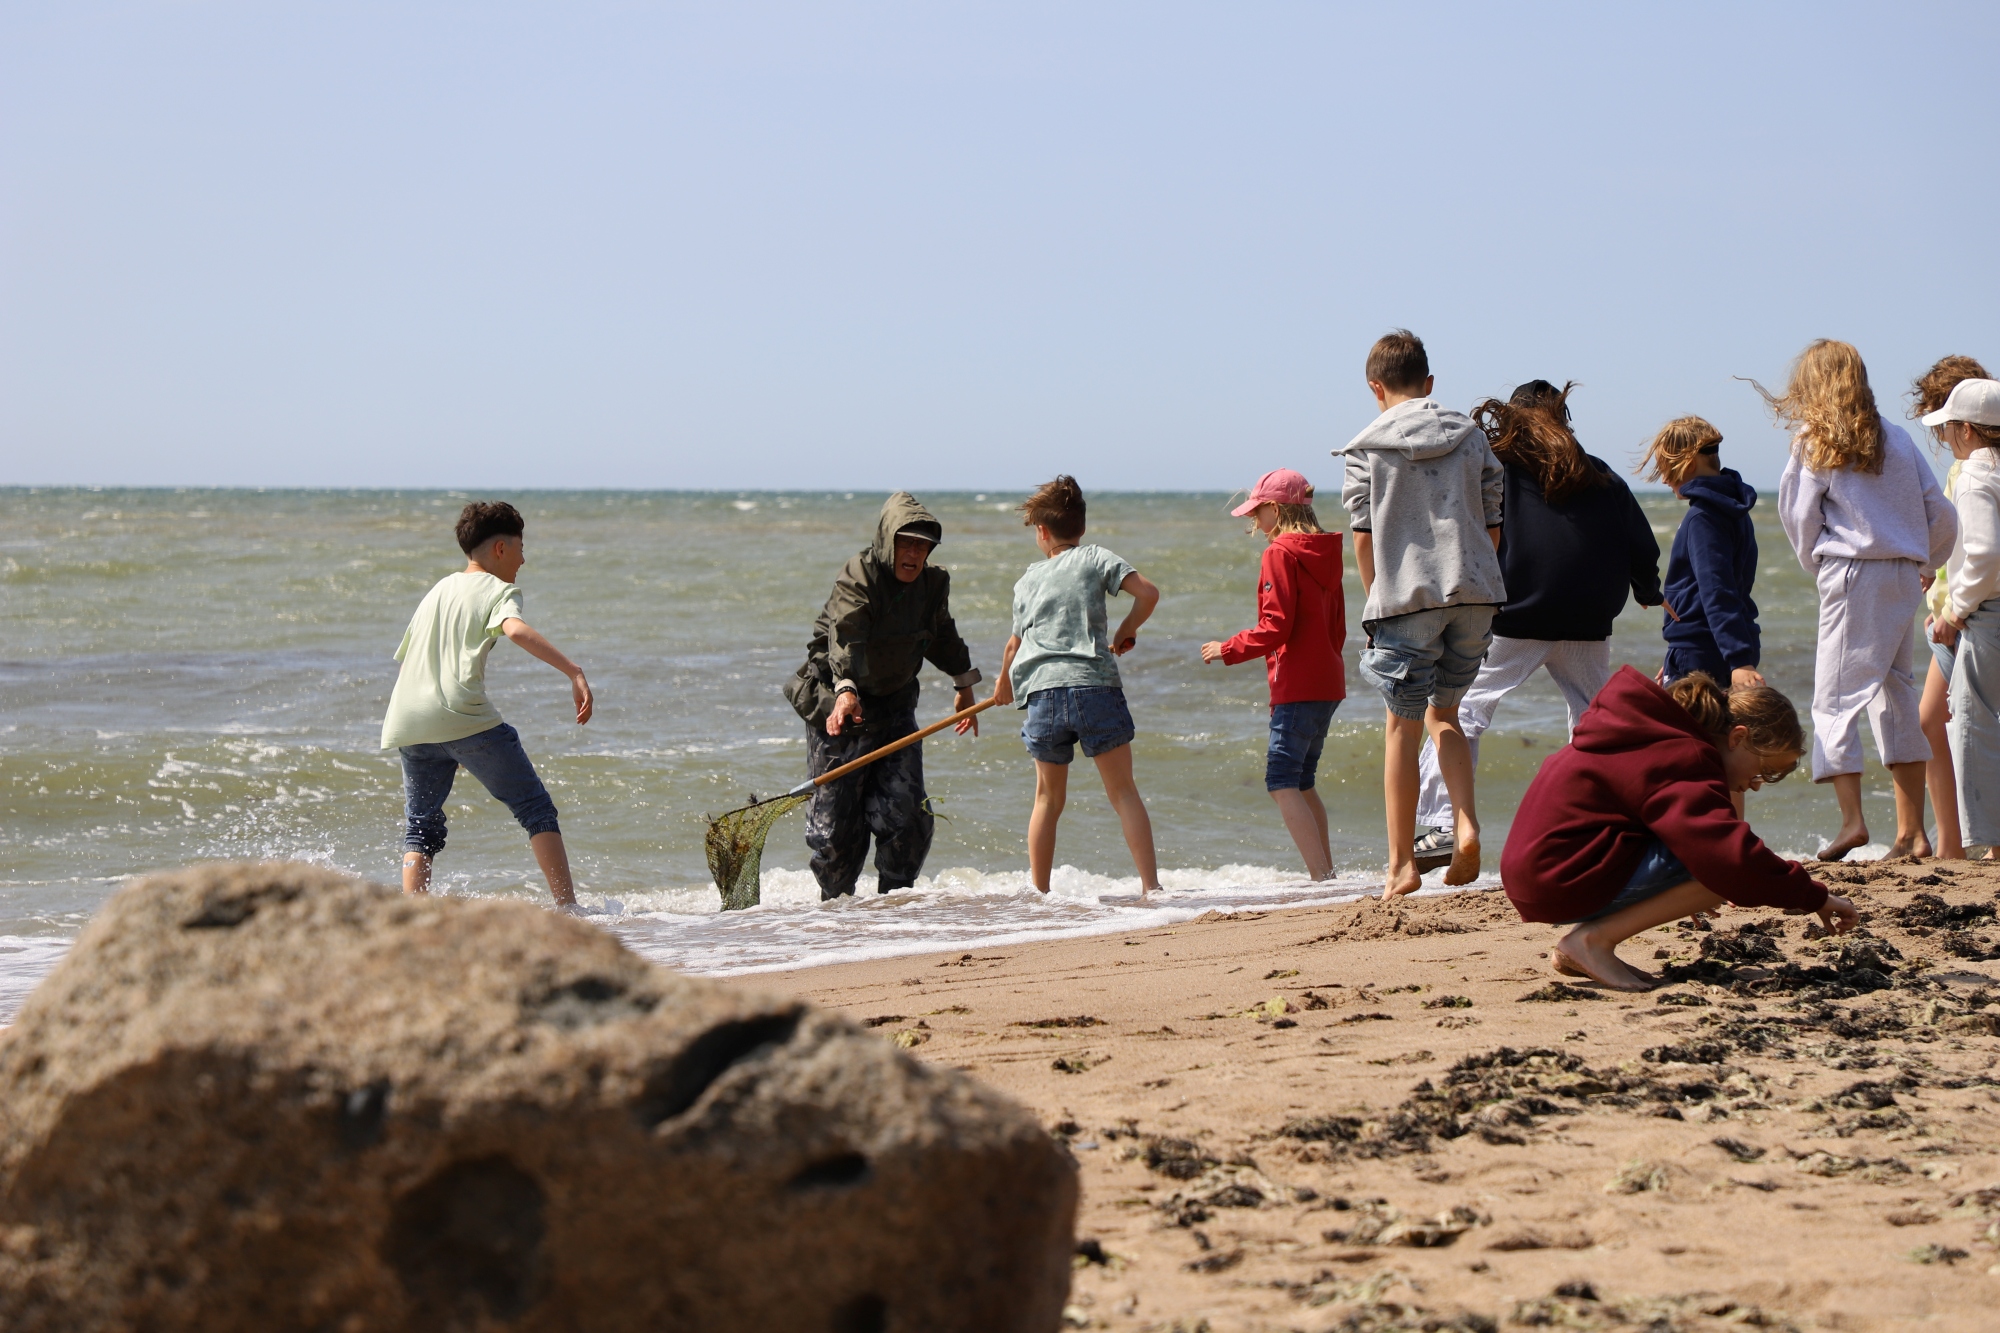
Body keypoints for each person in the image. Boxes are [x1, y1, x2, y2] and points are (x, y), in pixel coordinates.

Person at [1411, 381, 1661, 870]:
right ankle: (1607, 823)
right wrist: (1649, 591)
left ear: (1513, 419)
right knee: (1595, 719)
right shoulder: (1599, 472)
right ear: (1563, 419)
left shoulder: (1499, 469)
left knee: (1462, 709)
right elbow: (1640, 538)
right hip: (1589, 618)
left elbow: (1460, 531)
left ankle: (1445, 824)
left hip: (1517, 615)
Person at [1500, 666, 1858, 992]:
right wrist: (1816, 897)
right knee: (1719, 870)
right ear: (1737, 738)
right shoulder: (1685, 755)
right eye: (1764, 769)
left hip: (1544, 873)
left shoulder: (1653, 735)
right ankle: (1590, 943)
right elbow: (1732, 858)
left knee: (1708, 859)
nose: (1757, 785)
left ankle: (1590, 945)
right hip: (1557, 880)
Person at [1768, 339, 1958, 860]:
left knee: (1834, 698)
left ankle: (1852, 823)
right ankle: (1913, 832)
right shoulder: (1894, 438)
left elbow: (1798, 517)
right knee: (1894, 693)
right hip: (1900, 573)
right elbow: (1943, 515)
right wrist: (1924, 563)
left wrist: (1819, 565)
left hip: (1853, 574)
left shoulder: (1814, 441)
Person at [1338, 329, 1506, 897]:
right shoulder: (1471, 438)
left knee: (1401, 731)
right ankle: (1464, 824)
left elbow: (1363, 538)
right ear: (1430, 383)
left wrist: (1375, 605)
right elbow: (1493, 522)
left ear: (1375, 388)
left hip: (1407, 599)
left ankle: (1400, 864)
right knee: (1447, 716)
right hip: (1476, 593)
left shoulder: (1366, 448)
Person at [381, 501, 594, 906]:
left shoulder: (438, 589)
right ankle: (569, 910)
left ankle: (410, 914)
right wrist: (573, 671)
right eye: (520, 548)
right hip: (464, 718)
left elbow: (410, 655)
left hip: (410, 720)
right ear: (500, 549)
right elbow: (513, 629)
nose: (524, 558)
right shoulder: (500, 590)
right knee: (536, 809)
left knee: (420, 827)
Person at [783, 493, 982, 900]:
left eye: (923, 546)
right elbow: (847, 638)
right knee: (837, 833)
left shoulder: (932, 583)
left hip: (894, 706)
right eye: (906, 543)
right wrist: (846, 692)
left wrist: (964, 685)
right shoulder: (857, 577)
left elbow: (942, 636)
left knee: (909, 819)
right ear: (887, 542)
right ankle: (837, 918)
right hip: (839, 706)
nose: (914, 554)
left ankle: (894, 915)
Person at [991, 476, 1162, 895]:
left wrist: (1003, 686)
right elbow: (1148, 594)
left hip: (1044, 694)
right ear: (1081, 529)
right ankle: (1150, 888)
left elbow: (1015, 643)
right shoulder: (1095, 557)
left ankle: (1041, 894)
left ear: (1042, 532)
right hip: (1093, 685)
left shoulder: (1028, 578)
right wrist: (1125, 629)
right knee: (1123, 792)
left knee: (1047, 800)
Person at [1199, 469, 1347, 881]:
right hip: (1328, 682)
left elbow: (1275, 626)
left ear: (1277, 509)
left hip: (1297, 685)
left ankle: (1321, 876)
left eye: (1257, 512)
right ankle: (1327, 873)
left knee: (1281, 780)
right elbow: (1339, 628)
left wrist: (1226, 648)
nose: (1254, 522)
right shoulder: (1326, 552)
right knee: (1302, 781)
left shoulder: (1280, 553)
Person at [1912, 356, 1992, 860]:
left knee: (1965, 723)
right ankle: (1952, 841)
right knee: (1931, 719)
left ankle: (1964, 842)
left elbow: (1980, 550)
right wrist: (1934, 590)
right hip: (1952, 613)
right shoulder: (1968, 469)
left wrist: (1952, 608)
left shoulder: (1974, 472)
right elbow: (1956, 548)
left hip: (1968, 616)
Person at [1641, 415, 1765, 690]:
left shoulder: (1703, 517)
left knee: (1687, 733)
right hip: (1722, 644)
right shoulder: (1734, 508)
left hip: (1705, 650)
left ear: (1689, 461)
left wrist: (1737, 659)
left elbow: (1716, 589)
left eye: (1666, 467)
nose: (1663, 479)